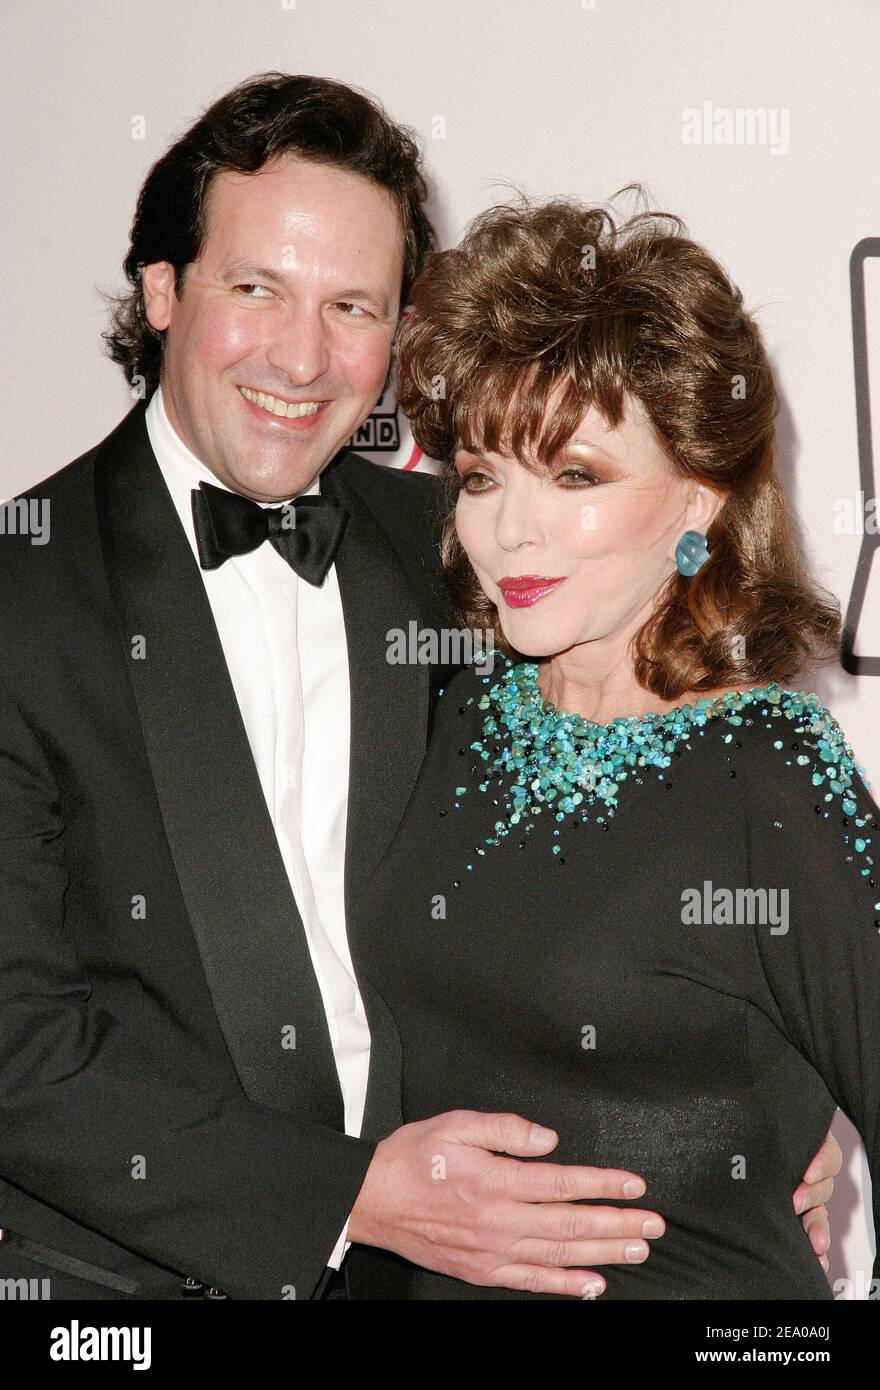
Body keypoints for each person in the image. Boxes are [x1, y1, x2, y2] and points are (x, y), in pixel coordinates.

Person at [0, 75, 836, 1302]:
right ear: (162, 289)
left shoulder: (466, 551)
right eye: (256, 288)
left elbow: (615, 881)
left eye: (353, 306)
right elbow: (18, 1050)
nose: (302, 355)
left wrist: (754, 1115)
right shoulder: (23, 593)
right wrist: (345, 1197)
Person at [343, 195, 877, 1299]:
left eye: (576, 475)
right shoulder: (452, 712)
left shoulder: (769, 770)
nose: (509, 528)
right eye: (483, 475)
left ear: (702, 498)